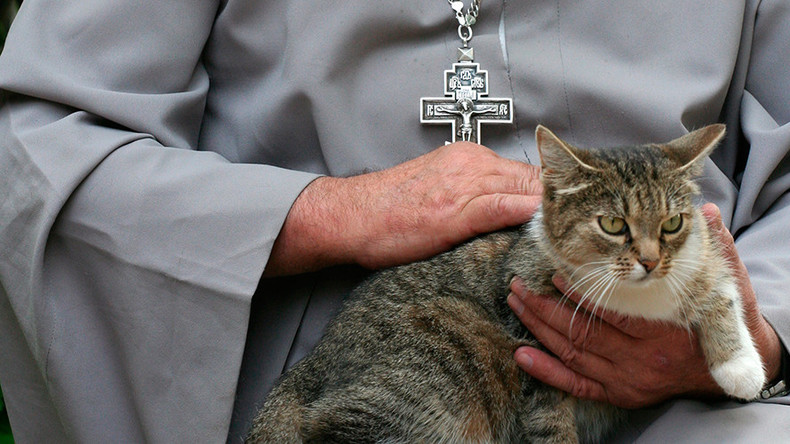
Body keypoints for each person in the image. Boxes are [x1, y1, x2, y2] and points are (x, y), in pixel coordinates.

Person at [0, 0, 787, 442]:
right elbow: (39, 149)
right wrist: (327, 214)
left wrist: (760, 332)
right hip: (332, 373)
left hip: (685, 405)